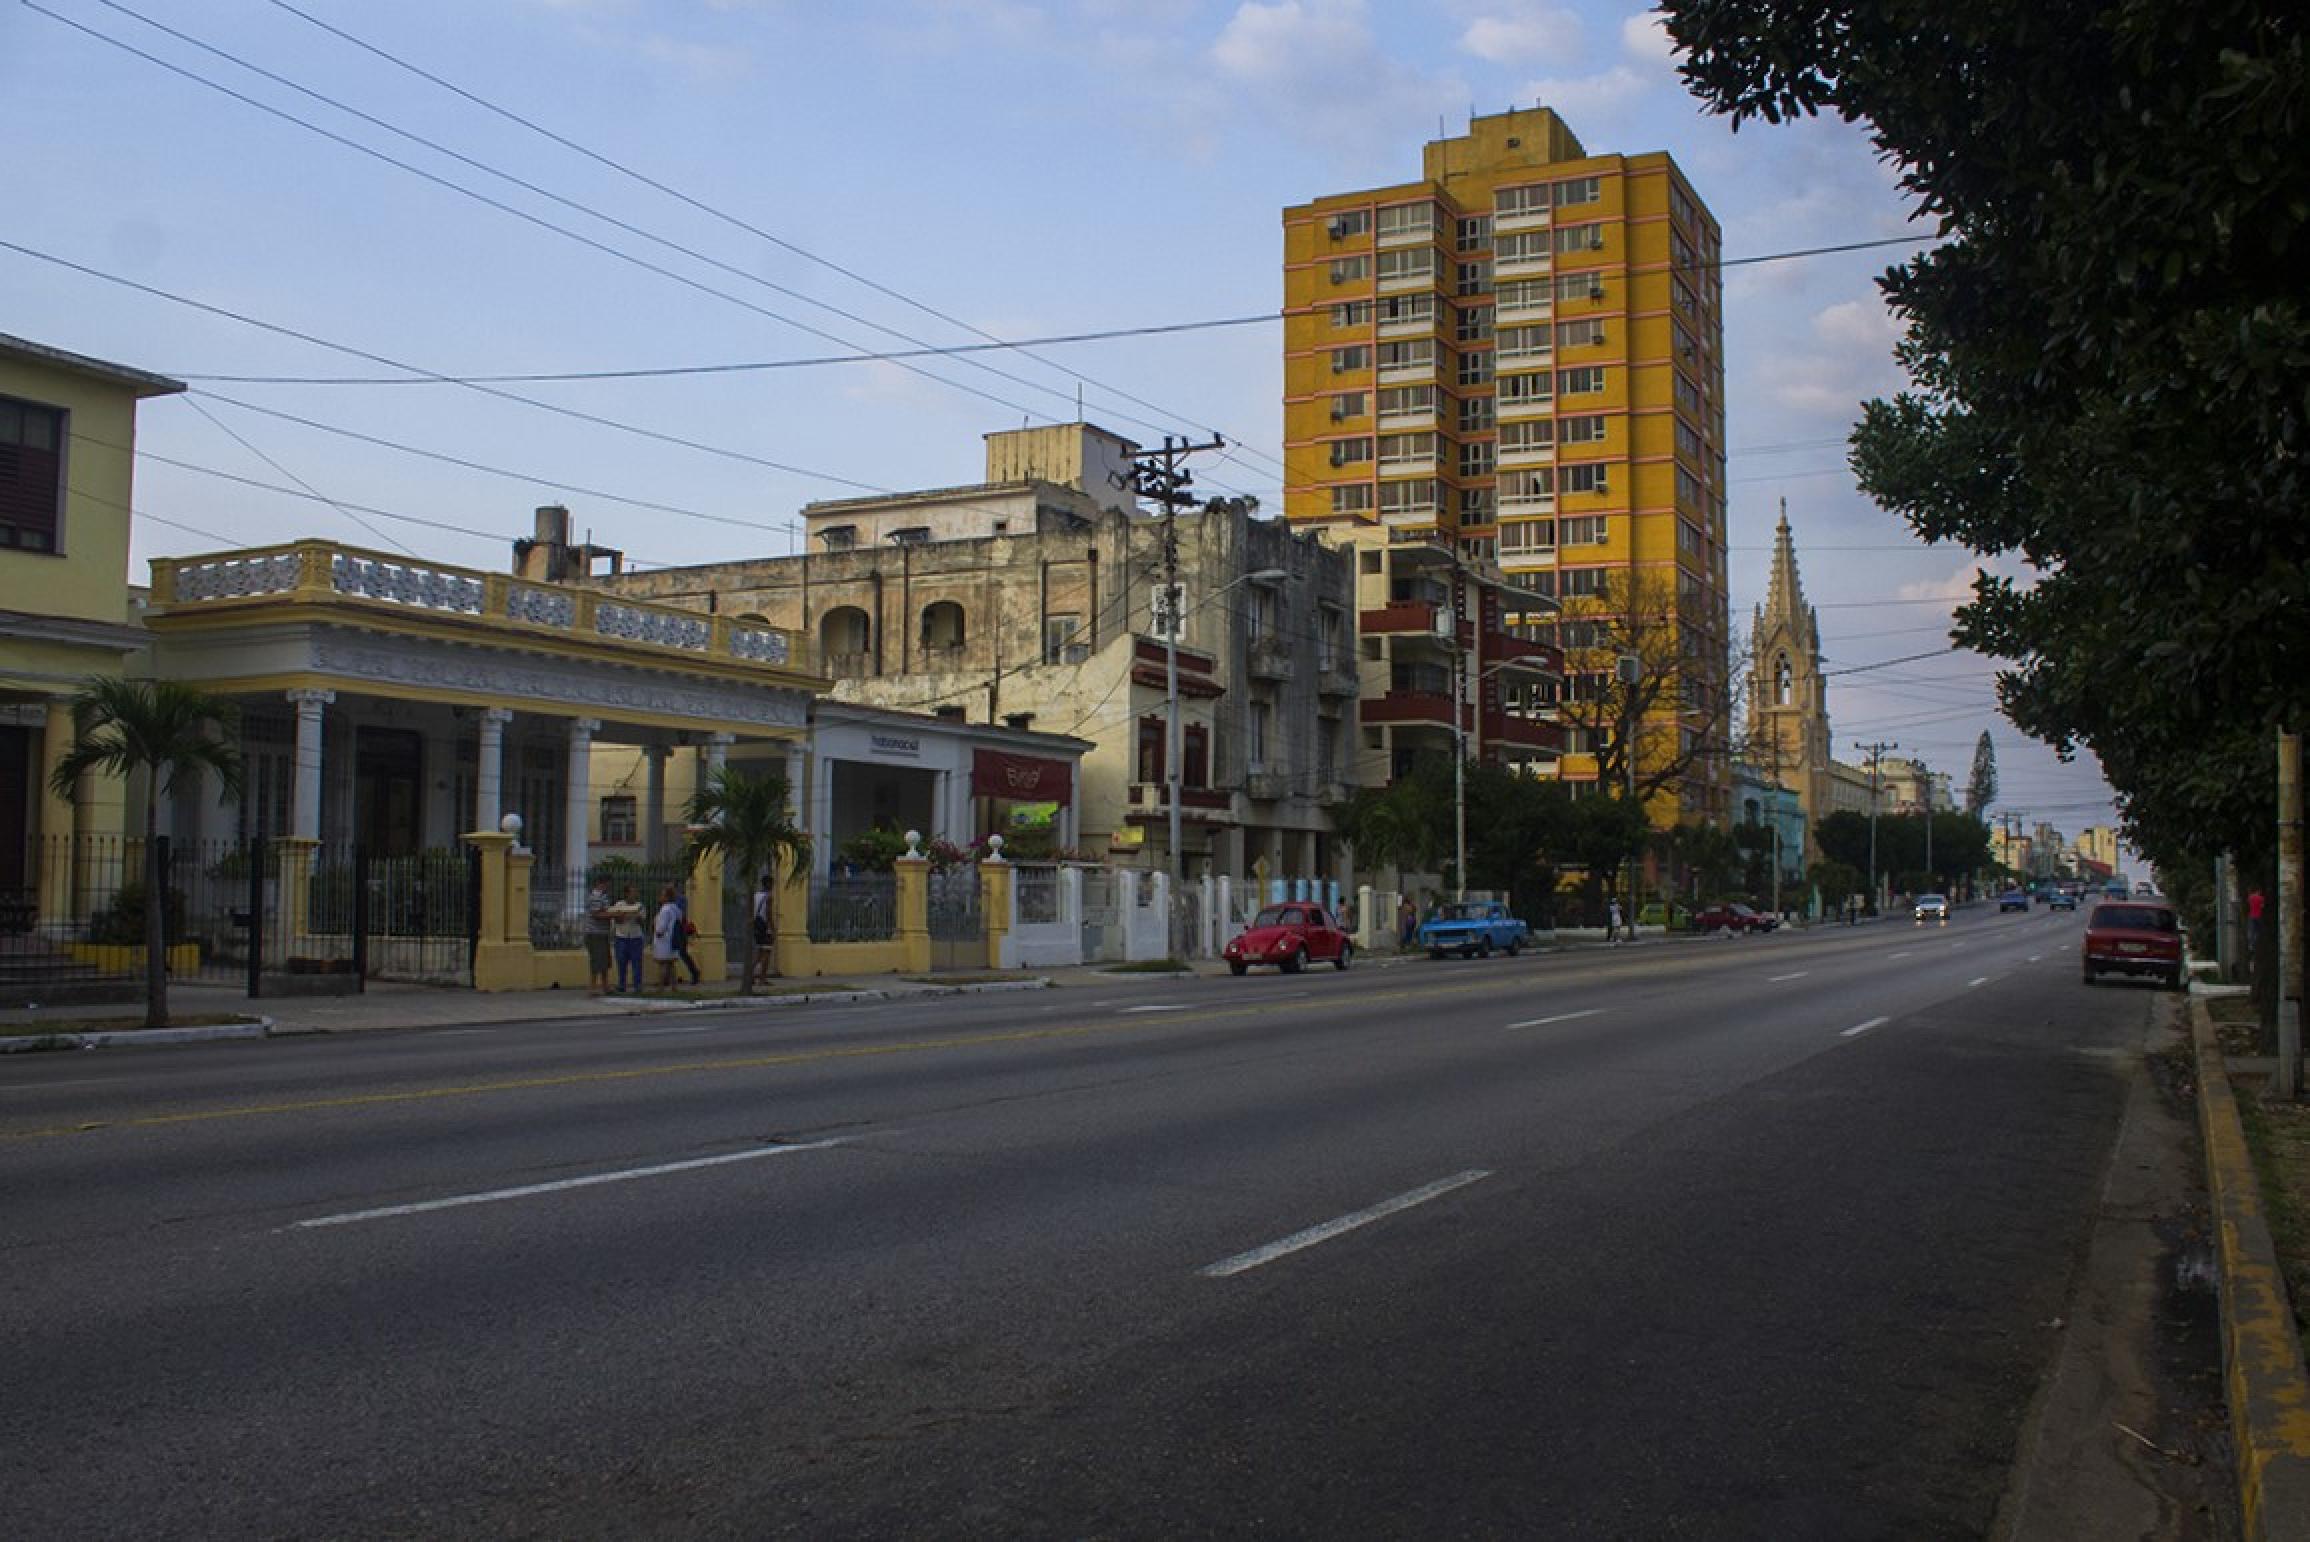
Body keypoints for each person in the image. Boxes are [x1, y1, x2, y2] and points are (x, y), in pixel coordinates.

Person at [610, 884, 646, 993]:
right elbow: (617, 920)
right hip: (621, 937)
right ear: (626, 894)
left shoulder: (640, 905)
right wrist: (624, 915)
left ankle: (637, 985)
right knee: (621, 961)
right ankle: (622, 984)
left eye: (635, 892)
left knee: (637, 962)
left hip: (636, 937)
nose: (634, 894)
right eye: (632, 892)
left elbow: (642, 921)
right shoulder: (619, 905)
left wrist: (636, 916)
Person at [583, 878, 613, 997]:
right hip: (595, 933)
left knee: (604, 961)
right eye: (606, 884)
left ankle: (605, 985)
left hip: (603, 932)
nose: (608, 887)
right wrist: (613, 914)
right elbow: (596, 914)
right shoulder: (595, 897)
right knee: (596, 961)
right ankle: (592, 987)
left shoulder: (604, 897)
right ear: (600, 883)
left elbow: (605, 910)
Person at [651, 884, 683, 992]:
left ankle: (661, 987)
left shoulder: (665, 910)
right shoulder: (676, 909)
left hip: (664, 940)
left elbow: (662, 926)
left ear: (667, 897)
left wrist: (658, 932)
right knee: (671, 964)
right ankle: (674, 986)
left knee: (663, 964)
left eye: (662, 895)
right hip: (673, 939)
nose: (660, 897)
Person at [671, 883, 702, 986]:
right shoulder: (672, 900)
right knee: (675, 953)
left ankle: (694, 972)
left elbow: (681, 914)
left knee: (682, 952)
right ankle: (670, 977)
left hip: (680, 928)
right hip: (673, 928)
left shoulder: (681, 899)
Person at [749, 871, 775, 988]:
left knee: (759, 953)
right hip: (765, 927)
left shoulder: (755, 895)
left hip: (757, 926)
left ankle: (750, 976)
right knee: (766, 953)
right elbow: (768, 913)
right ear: (768, 884)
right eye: (772, 884)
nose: (773, 886)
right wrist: (772, 929)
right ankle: (762, 979)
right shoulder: (769, 897)